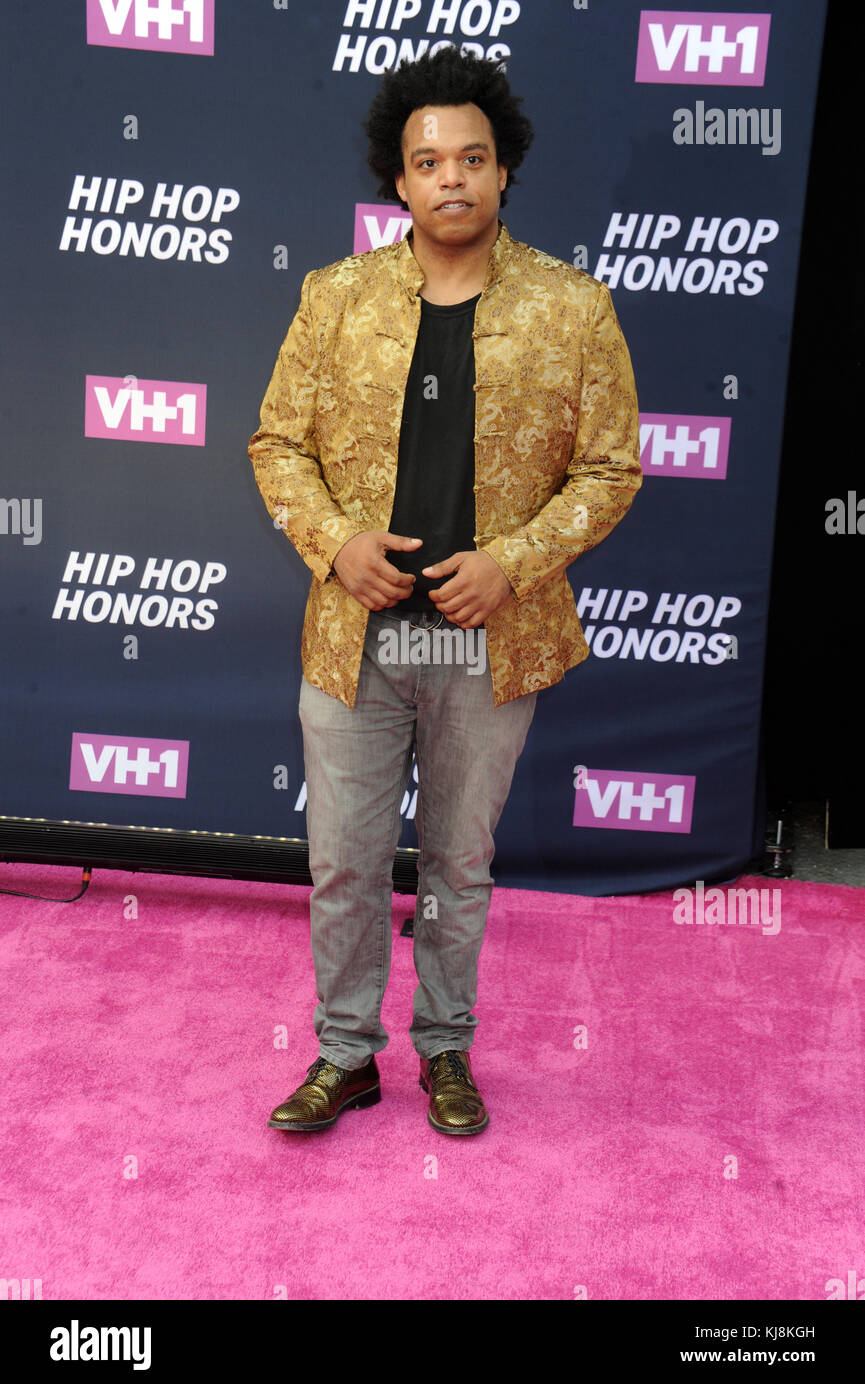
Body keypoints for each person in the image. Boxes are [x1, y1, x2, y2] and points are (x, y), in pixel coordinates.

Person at [248, 46, 641, 1137]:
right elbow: (278, 445)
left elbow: (610, 468)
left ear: (505, 167)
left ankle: (448, 1053)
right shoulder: (334, 299)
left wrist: (512, 560)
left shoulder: (572, 308)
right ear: (399, 179)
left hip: (491, 642)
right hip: (356, 638)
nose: (452, 179)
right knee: (343, 865)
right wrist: (335, 545)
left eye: (473, 157)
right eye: (429, 162)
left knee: (459, 867)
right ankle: (343, 1055)